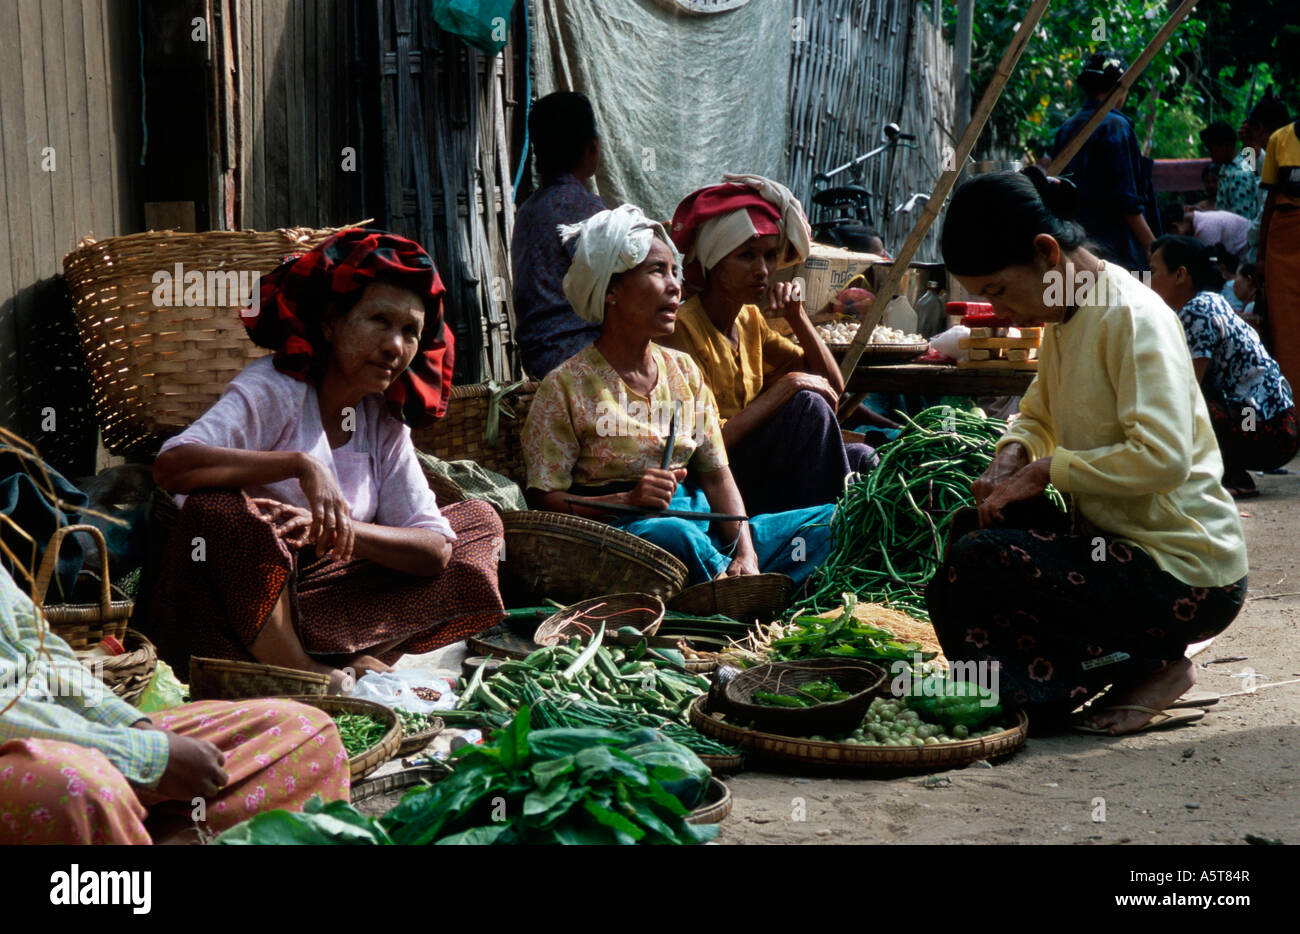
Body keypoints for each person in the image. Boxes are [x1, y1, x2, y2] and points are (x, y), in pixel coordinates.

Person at [925, 168, 1248, 736]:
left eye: (998, 291)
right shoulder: (1068, 315)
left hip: (1189, 573)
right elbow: (1040, 412)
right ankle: (1090, 675)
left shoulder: (1134, 318)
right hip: (1120, 549)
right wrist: (1014, 454)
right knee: (970, 533)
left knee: (986, 559)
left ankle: (1148, 667)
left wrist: (1051, 469)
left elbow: (1164, 458)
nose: (998, 311)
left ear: (1046, 253)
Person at [151, 230, 504, 692]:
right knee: (215, 509)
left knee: (479, 523)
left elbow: (435, 549)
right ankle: (300, 673)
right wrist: (298, 464)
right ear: (330, 324)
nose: (396, 346)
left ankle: (354, 658)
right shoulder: (276, 388)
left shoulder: (383, 418)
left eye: (410, 332)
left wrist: (341, 533)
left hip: (318, 607)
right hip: (227, 617)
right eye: (379, 320)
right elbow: (171, 467)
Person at [520, 205, 834, 586]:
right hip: (633, 540)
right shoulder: (565, 387)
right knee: (672, 535)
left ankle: (739, 581)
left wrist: (745, 552)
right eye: (657, 270)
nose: (675, 286)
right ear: (612, 290)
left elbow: (718, 479)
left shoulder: (683, 371)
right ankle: (738, 590)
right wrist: (627, 501)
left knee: (831, 521)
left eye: (675, 271)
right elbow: (544, 500)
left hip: (707, 528)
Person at [0, 566, 351, 843]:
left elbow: (42, 651)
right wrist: (146, 756)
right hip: (32, 754)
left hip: (56, 729)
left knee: (305, 732)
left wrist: (137, 727)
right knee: (80, 789)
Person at [659, 175, 877, 516]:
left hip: (760, 467)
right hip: (718, 480)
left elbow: (833, 386)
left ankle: (837, 537)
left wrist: (797, 317)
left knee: (863, 459)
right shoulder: (681, 330)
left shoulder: (749, 319)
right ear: (713, 263)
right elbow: (703, 448)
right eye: (747, 256)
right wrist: (787, 386)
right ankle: (824, 537)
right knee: (806, 406)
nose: (763, 270)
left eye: (769, 256)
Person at [1148, 235, 1297, 498]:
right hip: (1277, 427)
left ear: (1180, 275)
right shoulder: (1207, 302)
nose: (1148, 282)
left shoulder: (1198, 310)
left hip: (1266, 431)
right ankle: (1233, 474)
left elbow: (1187, 389)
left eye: (1154, 272)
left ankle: (1223, 476)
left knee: (1182, 402)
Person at [511, 92, 607, 378]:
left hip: (537, 356)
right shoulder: (584, 207)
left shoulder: (528, 210)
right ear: (592, 148)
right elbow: (617, 283)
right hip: (580, 355)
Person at [1052, 51, 1156, 270]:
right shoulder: (1116, 127)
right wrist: (1151, 246)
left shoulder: (1065, 129)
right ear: (1120, 88)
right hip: (1118, 255)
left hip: (1077, 251)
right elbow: (1126, 199)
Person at [1259, 109, 1300, 393]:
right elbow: (1268, 203)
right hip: (1283, 244)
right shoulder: (1279, 141)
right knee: (1287, 334)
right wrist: (1260, 256)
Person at [1200, 120, 1258, 219]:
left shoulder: (1240, 174)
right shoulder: (1225, 168)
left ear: (1226, 146)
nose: (1210, 154)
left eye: (1212, 149)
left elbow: (1240, 220)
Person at [1161, 204, 1250, 263]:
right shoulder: (1200, 220)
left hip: (1248, 253)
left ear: (1175, 227)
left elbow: (1212, 260)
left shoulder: (1206, 227)